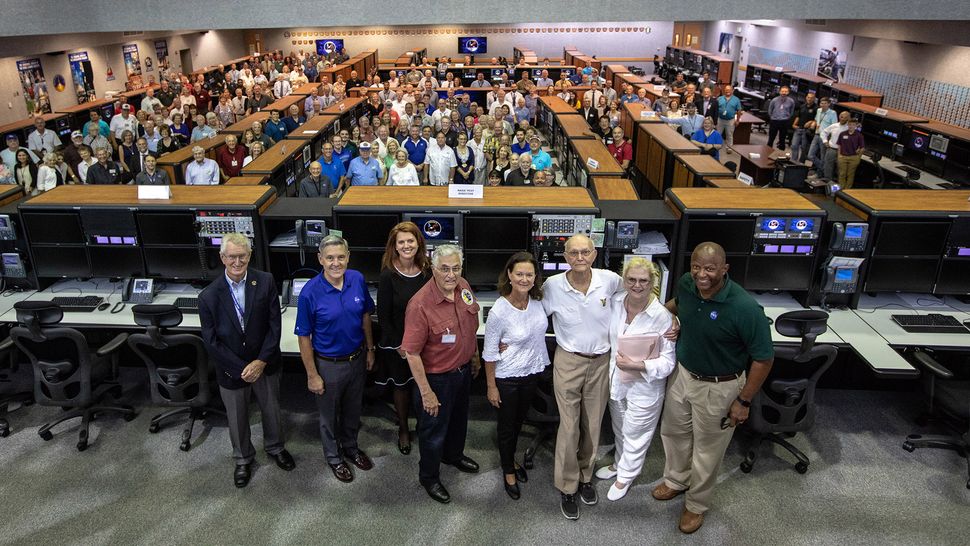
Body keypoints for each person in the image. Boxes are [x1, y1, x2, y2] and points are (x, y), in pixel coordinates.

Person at [655, 242, 774, 534]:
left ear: (724, 269)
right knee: (673, 433)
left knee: (708, 451)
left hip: (719, 387)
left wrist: (743, 401)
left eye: (709, 268)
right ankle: (676, 480)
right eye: (696, 266)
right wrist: (658, 315)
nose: (701, 274)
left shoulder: (745, 308)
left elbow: (763, 359)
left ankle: (695, 505)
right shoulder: (687, 283)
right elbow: (676, 304)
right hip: (682, 376)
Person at [198, 233, 294, 488]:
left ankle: (275, 448)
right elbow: (211, 341)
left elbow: (275, 326)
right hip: (232, 370)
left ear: (250, 256)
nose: (237, 262)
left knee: (271, 409)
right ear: (222, 258)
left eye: (242, 256)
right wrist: (242, 368)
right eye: (232, 257)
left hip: (265, 363)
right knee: (237, 417)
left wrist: (261, 361)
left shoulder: (265, 281)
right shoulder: (208, 296)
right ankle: (243, 458)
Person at [542, 234, 622, 520]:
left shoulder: (610, 280)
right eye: (573, 253)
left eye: (585, 252)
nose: (579, 258)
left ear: (594, 254)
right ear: (565, 256)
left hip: (600, 361)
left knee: (593, 424)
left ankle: (585, 478)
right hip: (569, 361)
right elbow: (536, 315)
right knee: (569, 426)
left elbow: (635, 299)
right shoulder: (552, 286)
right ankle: (567, 485)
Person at [401, 244, 481, 504]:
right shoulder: (420, 305)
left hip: (462, 372)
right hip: (436, 379)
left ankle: (454, 456)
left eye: (456, 268)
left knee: (459, 422)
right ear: (432, 269)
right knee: (433, 432)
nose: (451, 274)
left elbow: (470, 327)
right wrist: (426, 392)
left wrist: (475, 356)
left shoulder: (464, 287)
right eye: (444, 269)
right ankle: (429, 477)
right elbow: (411, 353)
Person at [295, 235, 376, 483]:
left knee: (353, 410)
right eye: (330, 258)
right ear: (320, 259)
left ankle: (351, 448)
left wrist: (370, 349)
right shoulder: (310, 293)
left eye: (341, 257)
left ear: (348, 257)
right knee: (328, 417)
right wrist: (312, 375)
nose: (336, 263)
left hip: (357, 359)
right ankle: (334, 457)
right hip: (328, 365)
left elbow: (365, 316)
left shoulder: (357, 279)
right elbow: (304, 337)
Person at [595, 258, 675, 501]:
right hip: (617, 382)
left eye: (643, 280)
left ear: (653, 282)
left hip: (645, 387)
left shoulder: (661, 316)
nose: (637, 285)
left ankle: (626, 476)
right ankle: (620, 463)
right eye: (631, 279)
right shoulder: (616, 303)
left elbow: (668, 362)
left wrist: (638, 366)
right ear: (624, 280)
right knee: (620, 429)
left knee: (636, 432)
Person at [483, 252, 549, 500]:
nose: (524, 278)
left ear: (535, 278)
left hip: (531, 373)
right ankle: (508, 469)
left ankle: (510, 459)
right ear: (509, 275)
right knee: (508, 428)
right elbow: (489, 352)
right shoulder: (500, 311)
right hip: (507, 377)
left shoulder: (537, 302)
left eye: (529, 274)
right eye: (519, 274)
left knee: (520, 422)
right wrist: (491, 387)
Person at [376, 222, 432, 455]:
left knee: (423, 385)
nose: (407, 245)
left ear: (419, 243)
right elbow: (384, 315)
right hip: (399, 344)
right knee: (401, 387)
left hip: (425, 343)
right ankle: (404, 429)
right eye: (402, 242)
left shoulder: (428, 271)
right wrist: (401, 346)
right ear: (395, 246)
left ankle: (425, 426)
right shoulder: (388, 274)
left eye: (411, 241)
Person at [820, 111, 851, 180]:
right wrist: (825, 141)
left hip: (842, 152)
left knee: (840, 168)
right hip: (831, 149)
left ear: (848, 118)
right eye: (841, 117)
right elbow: (824, 132)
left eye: (845, 117)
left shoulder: (849, 128)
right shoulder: (834, 126)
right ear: (839, 117)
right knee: (828, 166)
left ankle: (838, 183)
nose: (843, 119)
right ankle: (827, 181)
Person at [836, 118, 866, 188]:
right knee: (842, 174)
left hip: (853, 158)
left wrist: (858, 157)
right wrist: (839, 155)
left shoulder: (859, 135)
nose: (851, 126)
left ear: (856, 126)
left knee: (850, 174)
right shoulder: (842, 134)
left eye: (853, 125)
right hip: (843, 157)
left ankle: (847, 190)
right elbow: (839, 145)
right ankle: (841, 189)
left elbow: (862, 148)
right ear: (847, 125)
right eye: (849, 124)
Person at [790, 93, 818, 164]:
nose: (809, 99)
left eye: (811, 98)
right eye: (808, 97)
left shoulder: (816, 108)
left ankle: (801, 163)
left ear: (814, 99)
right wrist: (794, 124)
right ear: (806, 98)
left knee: (804, 148)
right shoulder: (802, 106)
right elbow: (798, 116)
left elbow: (817, 119)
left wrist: (811, 122)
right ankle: (793, 161)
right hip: (799, 128)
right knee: (794, 146)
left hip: (807, 131)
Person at [767, 86, 796, 150]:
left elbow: (792, 112)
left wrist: (787, 117)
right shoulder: (774, 100)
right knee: (771, 139)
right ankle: (767, 152)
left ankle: (780, 155)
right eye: (782, 91)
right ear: (780, 92)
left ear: (788, 92)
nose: (784, 93)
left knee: (782, 140)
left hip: (784, 122)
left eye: (785, 91)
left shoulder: (791, 101)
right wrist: (772, 117)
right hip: (774, 121)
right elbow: (770, 110)